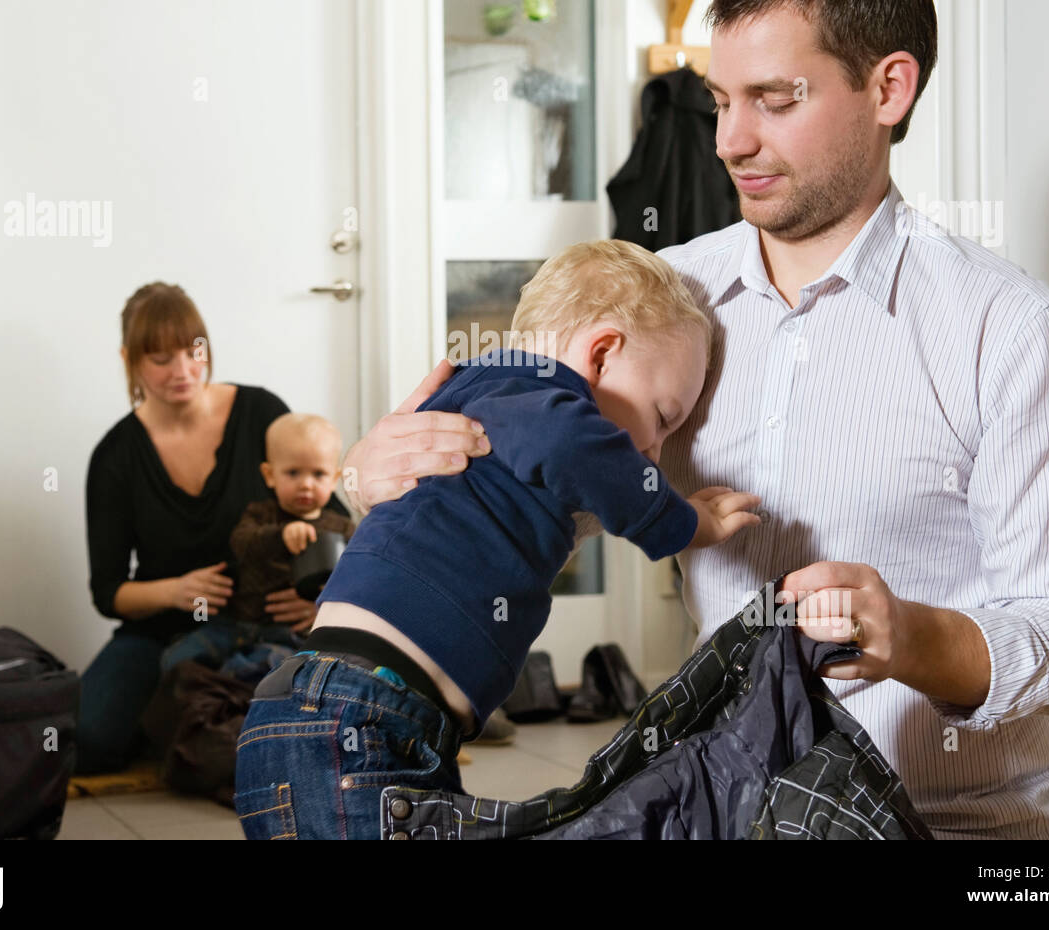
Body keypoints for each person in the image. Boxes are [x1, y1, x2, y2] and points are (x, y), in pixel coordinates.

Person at [336, 0, 1049, 841]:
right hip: (727, 808)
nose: (728, 141)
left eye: (776, 100)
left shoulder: (1013, 331)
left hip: (953, 824)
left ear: (890, 88)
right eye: (720, 100)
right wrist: (370, 479)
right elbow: (535, 486)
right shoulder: (665, 305)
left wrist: (908, 634)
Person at [234, 241, 761, 839]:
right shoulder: (540, 400)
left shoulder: (481, 386)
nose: (656, 451)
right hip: (364, 718)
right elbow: (574, 448)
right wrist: (687, 523)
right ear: (602, 352)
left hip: (331, 710)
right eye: (664, 417)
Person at [78, 283, 350, 774]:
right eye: (160, 358)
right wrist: (175, 591)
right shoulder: (115, 457)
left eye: (193, 351)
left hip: (270, 622)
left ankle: (198, 725)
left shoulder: (262, 413)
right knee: (92, 740)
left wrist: (319, 600)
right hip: (165, 631)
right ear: (129, 359)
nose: (182, 370)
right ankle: (184, 721)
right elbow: (108, 592)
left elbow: (333, 520)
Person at [158, 412, 356, 673]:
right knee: (178, 658)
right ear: (270, 475)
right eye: (293, 473)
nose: (306, 484)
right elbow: (241, 543)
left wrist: (322, 605)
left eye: (318, 474)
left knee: (265, 669)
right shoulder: (259, 515)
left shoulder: (342, 528)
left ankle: (234, 681)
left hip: (289, 634)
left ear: (334, 479)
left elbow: (355, 581)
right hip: (237, 624)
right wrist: (280, 536)